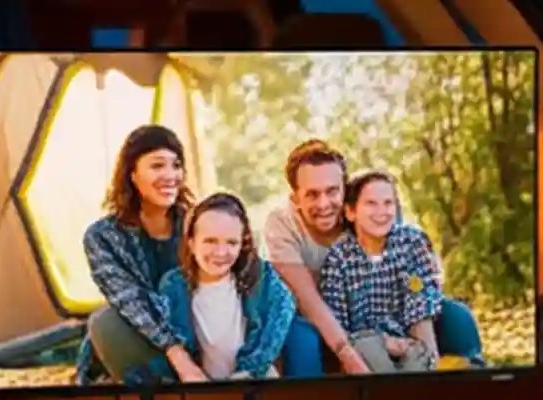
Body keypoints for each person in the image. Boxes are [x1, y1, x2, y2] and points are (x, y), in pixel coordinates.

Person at [74, 124, 204, 385]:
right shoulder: (102, 237)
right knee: (106, 322)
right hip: (140, 335)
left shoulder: (198, 225)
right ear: (132, 174)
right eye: (157, 166)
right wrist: (179, 357)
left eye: (176, 165)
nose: (170, 175)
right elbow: (131, 302)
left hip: (197, 333)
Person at [142, 192, 296, 383]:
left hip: (254, 381)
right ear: (191, 242)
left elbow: (280, 317)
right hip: (197, 388)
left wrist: (247, 373)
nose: (221, 252)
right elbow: (163, 334)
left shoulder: (261, 278)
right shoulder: (173, 285)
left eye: (231, 242)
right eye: (210, 241)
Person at [261, 140, 371, 377]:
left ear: (344, 189)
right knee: (300, 337)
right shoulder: (281, 223)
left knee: (455, 314)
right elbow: (307, 299)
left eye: (332, 191)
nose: (324, 204)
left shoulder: (368, 207)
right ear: (295, 199)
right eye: (312, 194)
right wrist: (347, 353)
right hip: (310, 318)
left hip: (365, 307)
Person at [319, 169, 444, 373]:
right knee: (370, 351)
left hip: (408, 336)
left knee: (418, 358)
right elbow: (338, 322)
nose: (382, 212)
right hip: (364, 342)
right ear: (351, 212)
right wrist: (384, 341)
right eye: (371, 204)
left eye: (388, 203)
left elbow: (420, 300)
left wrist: (428, 354)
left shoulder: (412, 243)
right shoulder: (339, 257)